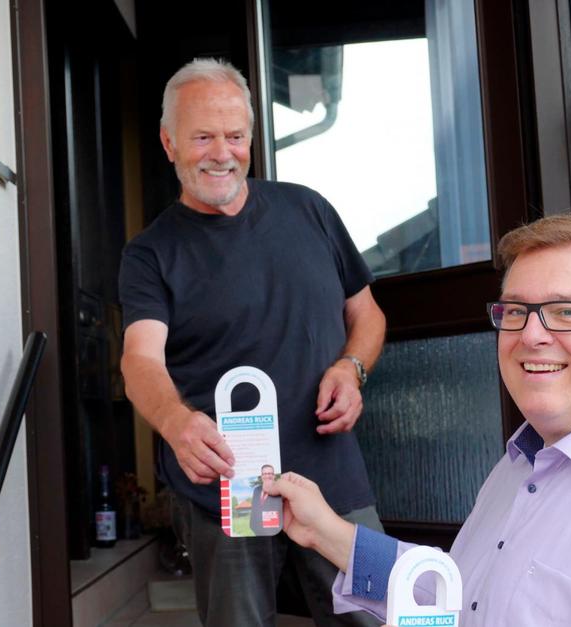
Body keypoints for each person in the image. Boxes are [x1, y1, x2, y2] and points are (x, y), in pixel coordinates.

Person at [267, 215, 571, 625]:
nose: (531, 335)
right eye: (515, 311)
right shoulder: (525, 461)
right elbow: (464, 597)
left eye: (566, 312)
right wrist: (324, 530)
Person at [119, 57, 387, 626]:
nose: (222, 152)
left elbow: (367, 316)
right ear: (169, 142)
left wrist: (352, 368)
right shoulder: (150, 253)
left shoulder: (308, 210)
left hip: (333, 478)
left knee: (377, 617)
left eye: (235, 136)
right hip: (228, 491)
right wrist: (175, 422)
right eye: (203, 137)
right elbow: (140, 359)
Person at [249, 464, 283, 536]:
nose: (267, 476)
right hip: (257, 531)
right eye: (265, 474)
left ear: (274, 475)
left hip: (274, 532)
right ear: (262, 476)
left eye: (270, 473)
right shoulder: (256, 490)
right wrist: (252, 526)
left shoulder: (280, 489)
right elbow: (254, 509)